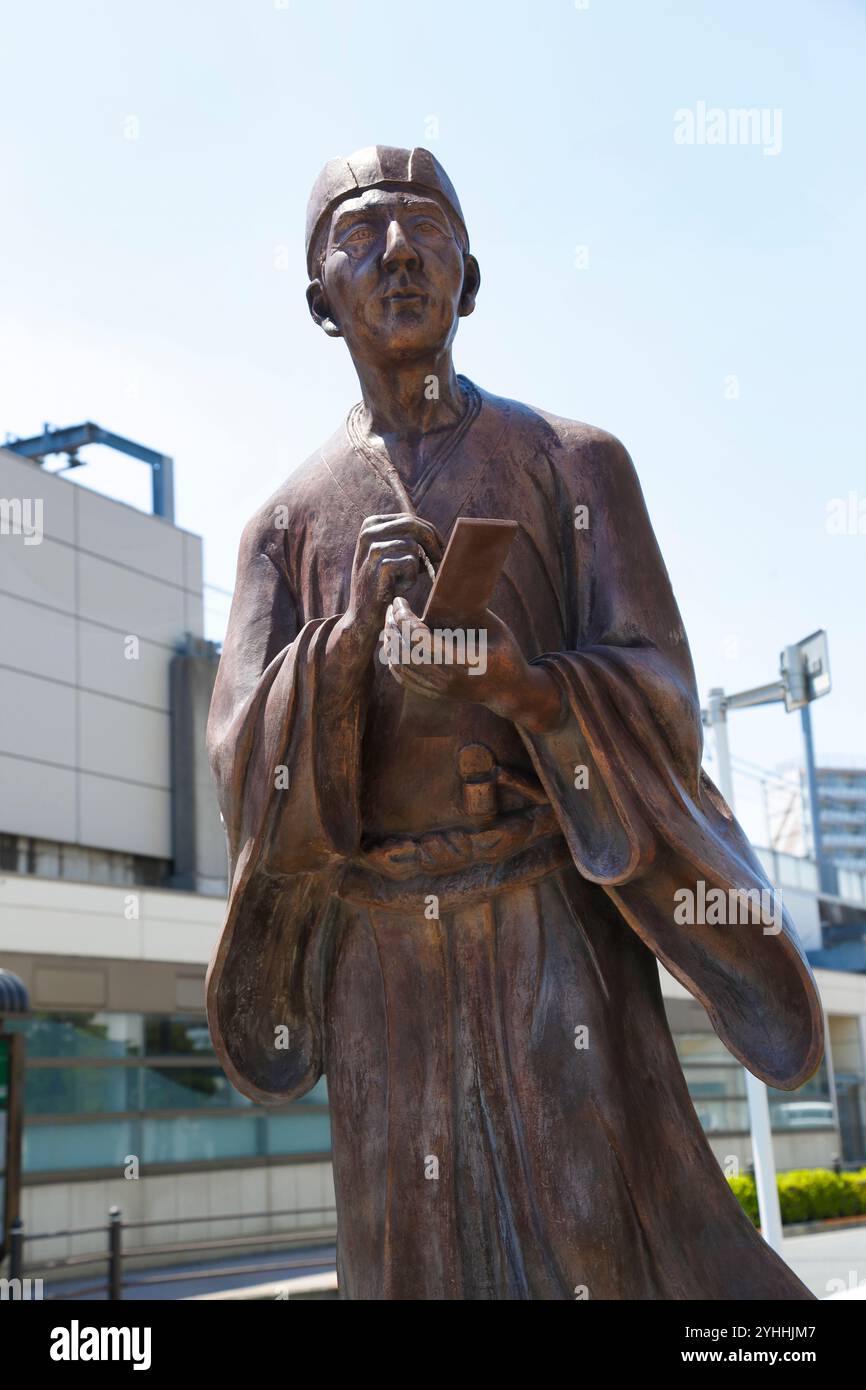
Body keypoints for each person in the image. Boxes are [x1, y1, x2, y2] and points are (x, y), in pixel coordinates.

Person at [206, 146, 822, 1300]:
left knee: (593, 1229)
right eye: (361, 231)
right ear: (316, 299)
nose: (396, 252)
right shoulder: (284, 527)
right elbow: (240, 755)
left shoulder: (572, 464)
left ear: (469, 278)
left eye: (425, 227)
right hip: (380, 952)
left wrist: (527, 688)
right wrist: (339, 659)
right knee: (403, 1258)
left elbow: (662, 698)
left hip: (552, 923)